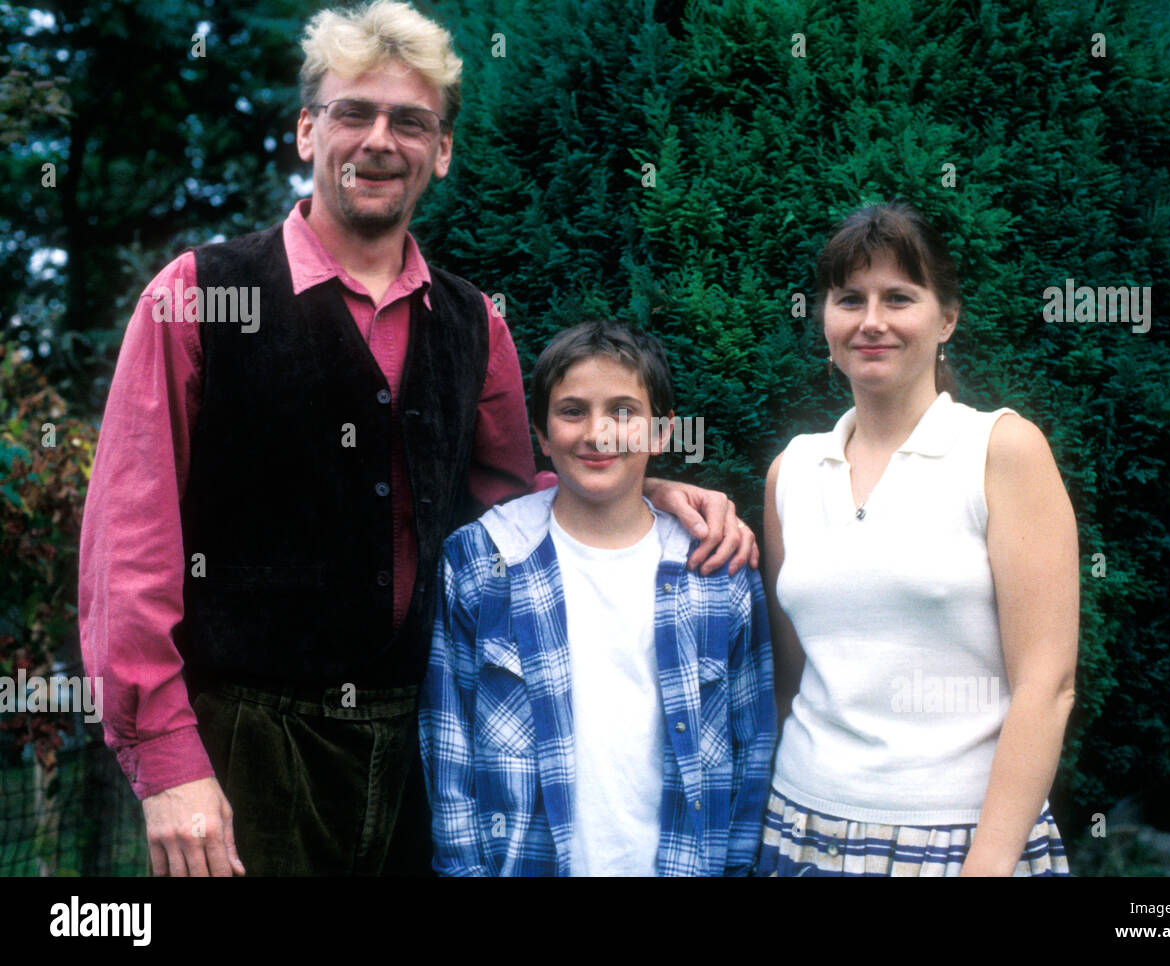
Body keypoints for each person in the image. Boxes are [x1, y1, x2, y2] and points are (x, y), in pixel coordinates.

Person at [77, 0, 755, 877]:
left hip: (420, 743)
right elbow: (127, 546)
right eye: (354, 113)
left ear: (440, 150)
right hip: (243, 742)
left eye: (409, 121)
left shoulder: (477, 325)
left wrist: (645, 491)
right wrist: (167, 761)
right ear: (306, 130)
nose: (379, 140)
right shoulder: (199, 294)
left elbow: (512, 511)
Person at [757, 202, 1076, 876]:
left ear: (947, 318)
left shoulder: (1000, 450)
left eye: (899, 297)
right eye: (850, 299)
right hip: (801, 829)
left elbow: (1046, 686)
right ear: (825, 321)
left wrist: (985, 867)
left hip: (960, 841)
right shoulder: (791, 471)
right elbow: (794, 672)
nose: (871, 320)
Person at [419, 321, 776, 876]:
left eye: (624, 412)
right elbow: (449, 747)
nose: (598, 432)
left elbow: (751, 740)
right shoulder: (482, 561)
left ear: (662, 434)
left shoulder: (716, 569)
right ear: (540, 434)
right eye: (572, 411)